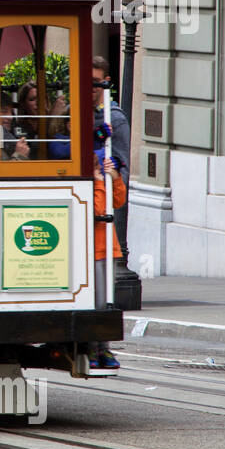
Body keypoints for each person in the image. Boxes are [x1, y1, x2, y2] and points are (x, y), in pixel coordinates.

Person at [90, 152, 127, 368]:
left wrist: (114, 178)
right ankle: (93, 347)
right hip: (93, 249)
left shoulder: (101, 182)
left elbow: (118, 200)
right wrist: (99, 184)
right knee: (97, 303)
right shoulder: (92, 185)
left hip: (108, 248)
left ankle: (103, 347)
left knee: (105, 303)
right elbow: (97, 210)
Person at [92, 56, 130, 253]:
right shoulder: (73, 111)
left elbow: (120, 165)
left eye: (97, 82)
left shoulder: (115, 118)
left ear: (106, 81)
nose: (92, 87)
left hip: (99, 204)